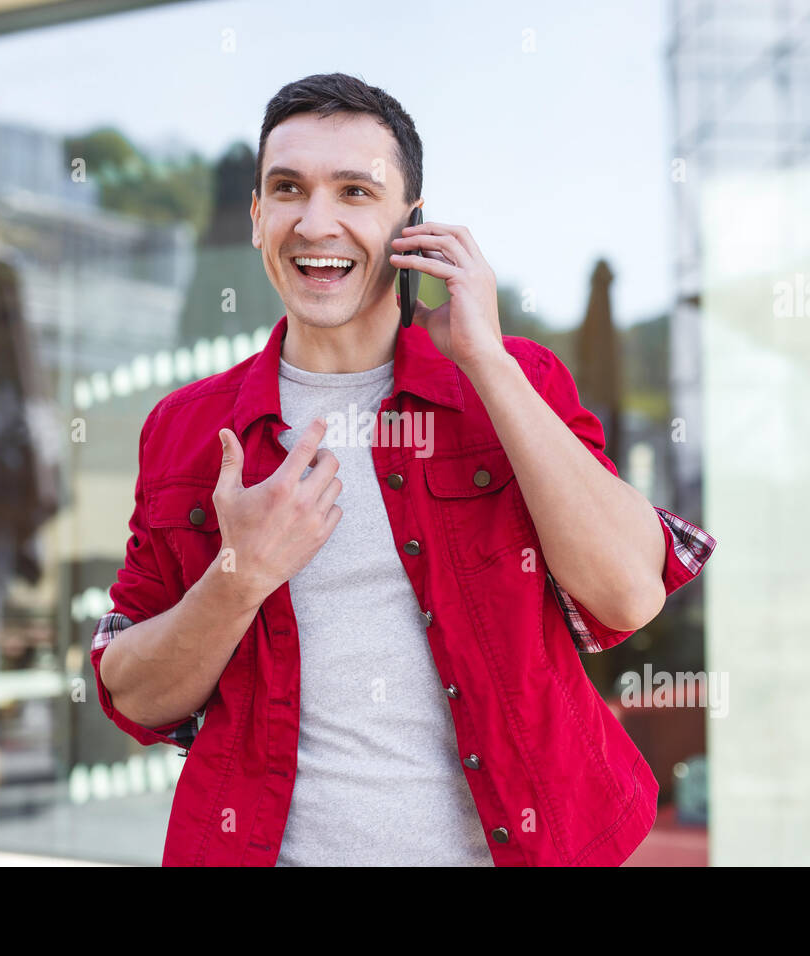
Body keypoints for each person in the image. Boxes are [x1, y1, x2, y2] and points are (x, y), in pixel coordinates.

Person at [91, 73, 716, 866]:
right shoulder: (185, 430)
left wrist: (485, 359)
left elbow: (628, 593)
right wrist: (237, 577)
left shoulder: (514, 381)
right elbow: (134, 695)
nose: (317, 222)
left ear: (410, 225)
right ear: (256, 218)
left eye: (356, 191)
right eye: (288, 189)